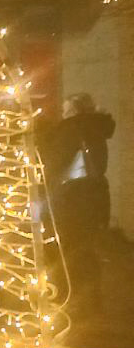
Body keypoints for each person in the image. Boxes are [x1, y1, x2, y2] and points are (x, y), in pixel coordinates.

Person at [45, 92, 116, 308]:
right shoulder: (97, 130)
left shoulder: (72, 129)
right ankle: (91, 299)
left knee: (68, 251)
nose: (64, 116)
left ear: (75, 112)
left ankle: (70, 298)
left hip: (71, 201)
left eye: (67, 111)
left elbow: (54, 163)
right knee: (85, 251)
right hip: (93, 201)